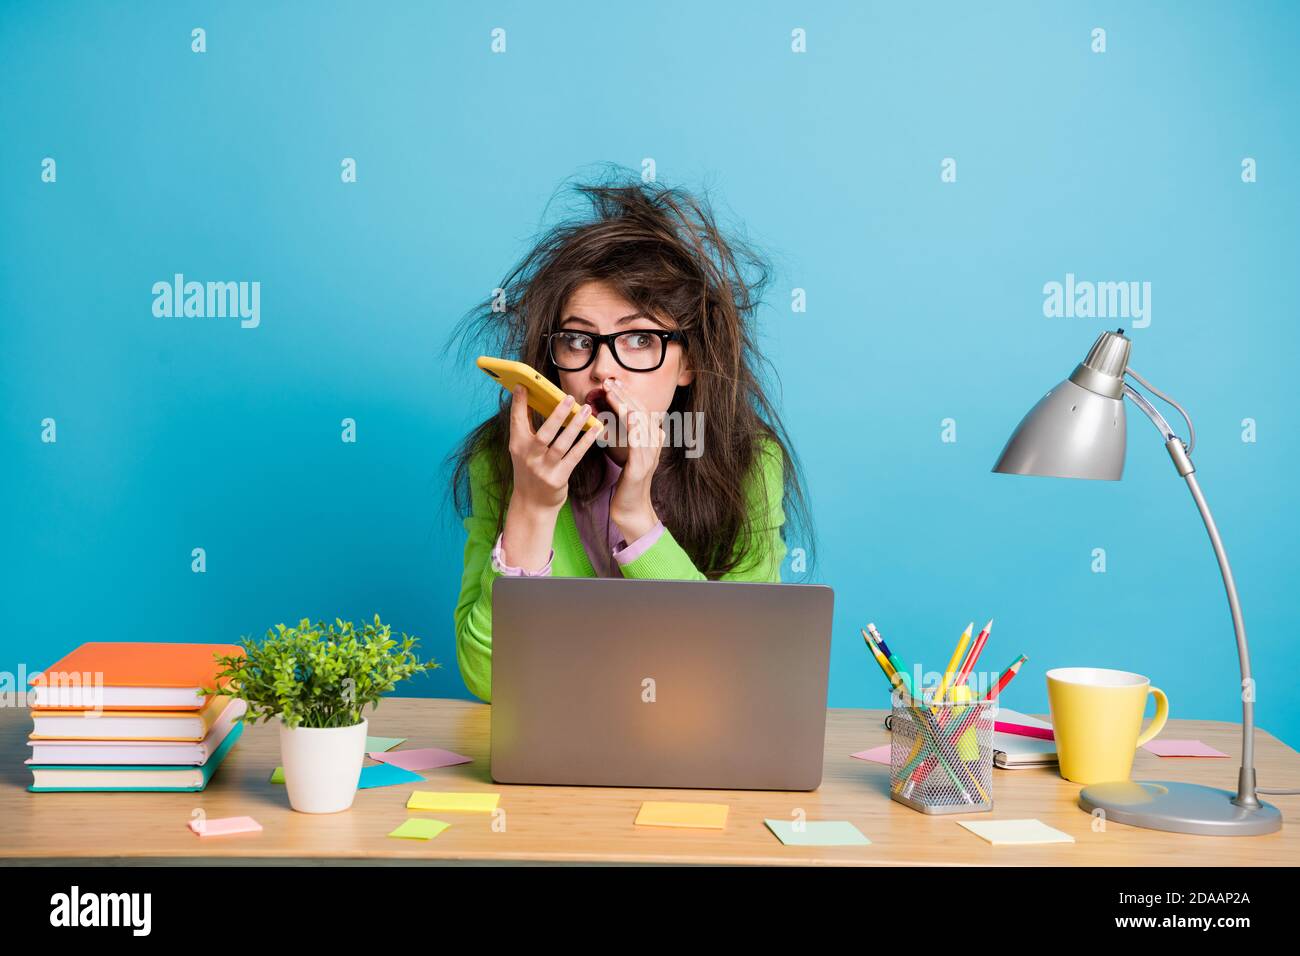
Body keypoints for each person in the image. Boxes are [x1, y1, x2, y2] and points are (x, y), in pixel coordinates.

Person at [447, 172, 812, 702]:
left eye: (640, 339)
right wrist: (531, 505)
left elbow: (734, 670)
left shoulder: (748, 462)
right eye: (578, 340)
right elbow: (489, 681)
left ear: (688, 362)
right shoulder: (503, 459)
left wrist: (638, 518)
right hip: (558, 742)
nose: (603, 371)